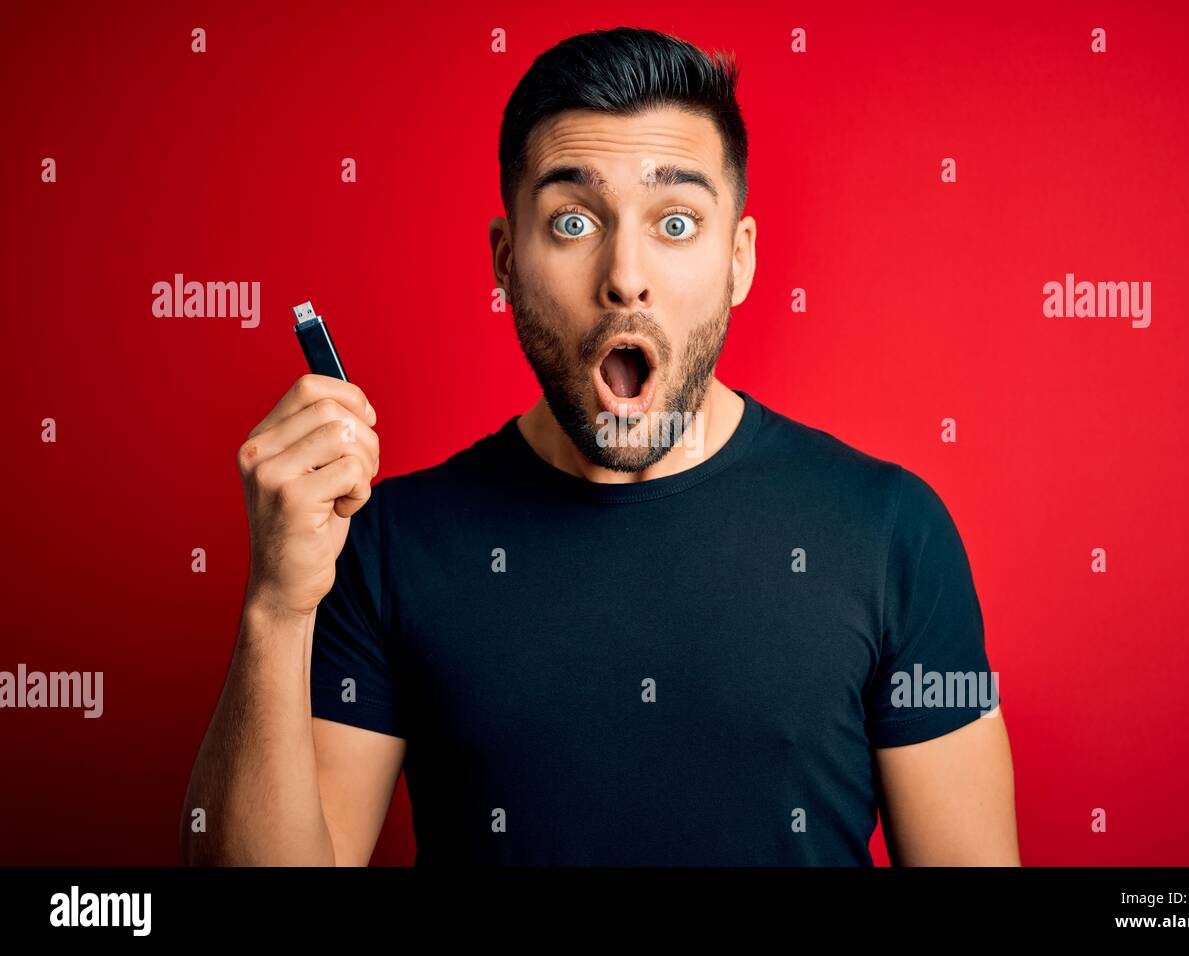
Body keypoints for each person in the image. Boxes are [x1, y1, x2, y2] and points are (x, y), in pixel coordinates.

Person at [181, 26, 1019, 866]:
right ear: (506, 263)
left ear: (740, 260)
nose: (625, 274)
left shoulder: (894, 532)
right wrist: (275, 608)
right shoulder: (385, 544)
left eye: (677, 221)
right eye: (574, 220)